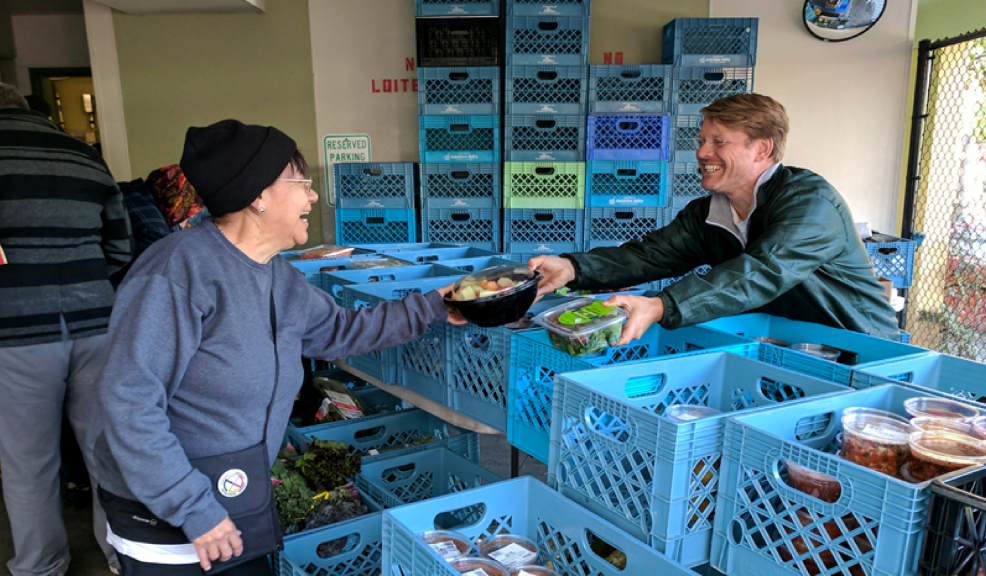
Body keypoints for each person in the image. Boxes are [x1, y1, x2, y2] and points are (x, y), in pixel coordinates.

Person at [91, 119, 465, 575]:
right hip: (169, 519)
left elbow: (343, 332)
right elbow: (129, 402)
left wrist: (435, 305)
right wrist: (193, 507)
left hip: (236, 500)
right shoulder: (177, 273)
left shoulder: (278, 276)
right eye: (302, 182)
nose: (312, 196)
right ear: (258, 196)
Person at [531, 93, 900, 345]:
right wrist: (572, 268)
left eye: (718, 141)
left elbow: (762, 271)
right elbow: (648, 256)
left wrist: (662, 306)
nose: (702, 152)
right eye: (702, 140)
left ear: (762, 148)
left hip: (860, 351)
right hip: (787, 345)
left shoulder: (810, 202)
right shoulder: (709, 213)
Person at [0, 82, 132, 576]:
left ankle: (40, 565)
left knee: (28, 462)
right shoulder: (84, 156)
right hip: (97, 321)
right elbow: (121, 246)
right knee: (106, 450)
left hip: (15, 332)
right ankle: (121, 551)